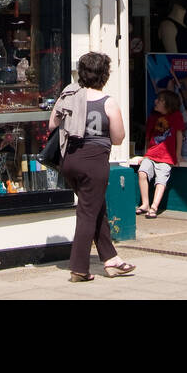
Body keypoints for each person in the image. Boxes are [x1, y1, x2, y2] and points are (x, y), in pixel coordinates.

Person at [48, 52, 135, 281]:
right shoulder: (108, 102)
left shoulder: (68, 96)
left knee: (96, 208)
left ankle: (111, 260)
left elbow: (51, 124)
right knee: (88, 212)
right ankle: (79, 268)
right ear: (104, 75)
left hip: (70, 162)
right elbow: (118, 138)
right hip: (94, 164)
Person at [130, 89, 183, 219]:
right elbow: (149, 137)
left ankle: (154, 207)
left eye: (160, 100)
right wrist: (145, 154)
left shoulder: (176, 116)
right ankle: (145, 204)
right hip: (151, 154)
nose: (156, 102)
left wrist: (178, 154)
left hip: (166, 157)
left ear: (168, 103)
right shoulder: (153, 117)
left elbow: (179, 134)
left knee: (161, 180)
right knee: (142, 173)